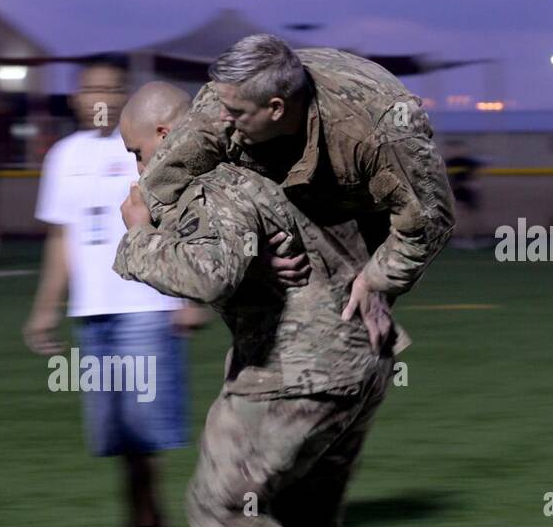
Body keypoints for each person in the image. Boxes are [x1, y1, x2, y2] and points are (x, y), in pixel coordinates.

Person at [116, 81, 417, 527]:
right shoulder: (279, 156)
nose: (139, 171)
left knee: (220, 511)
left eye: (138, 154)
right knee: (300, 521)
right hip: (363, 355)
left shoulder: (211, 174)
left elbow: (209, 275)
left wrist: (139, 236)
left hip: (297, 367)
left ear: (166, 138)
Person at [137, 34, 455, 340]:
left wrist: (375, 280)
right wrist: (247, 259)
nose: (224, 117)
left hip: (365, 206)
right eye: (223, 105)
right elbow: (157, 193)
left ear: (276, 108)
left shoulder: (383, 130)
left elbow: (429, 222)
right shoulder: (221, 107)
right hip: (280, 190)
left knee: (348, 332)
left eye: (236, 112)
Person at [23, 56, 204, 527]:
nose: (99, 98)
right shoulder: (63, 156)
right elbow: (62, 239)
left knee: (141, 436)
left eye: (110, 88)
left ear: (126, 95)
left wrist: (188, 297)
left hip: (146, 306)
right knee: (119, 437)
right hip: (95, 314)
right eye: (89, 89)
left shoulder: (147, 146)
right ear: (75, 98)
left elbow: (185, 218)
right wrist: (45, 308)